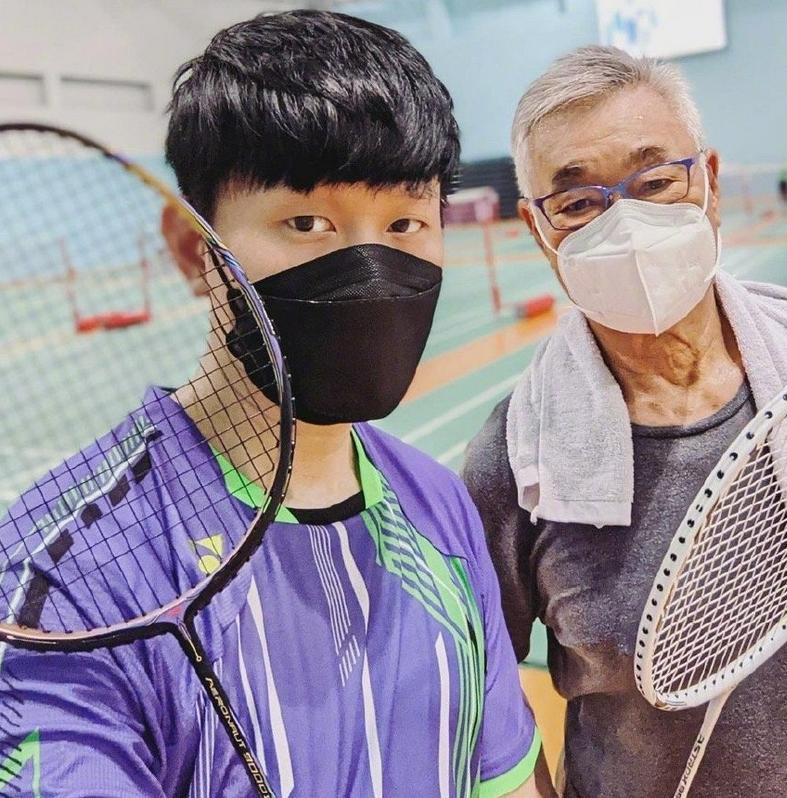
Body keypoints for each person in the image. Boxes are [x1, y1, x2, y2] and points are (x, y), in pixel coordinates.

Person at [0, 12, 554, 797]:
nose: (369, 268)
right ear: (196, 252)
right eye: (306, 222)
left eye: (405, 222)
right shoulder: (63, 581)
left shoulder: (441, 509)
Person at [463, 45, 787, 798]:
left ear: (706, 182)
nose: (626, 223)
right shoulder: (513, 459)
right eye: (578, 202)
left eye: (653, 181)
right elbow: (480, 696)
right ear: (537, 230)